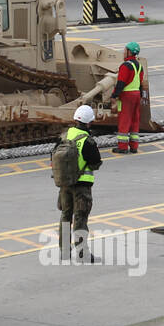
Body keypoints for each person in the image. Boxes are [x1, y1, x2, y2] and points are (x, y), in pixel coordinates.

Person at [59, 104, 103, 263]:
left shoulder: (65, 135)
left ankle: (64, 251)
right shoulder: (87, 140)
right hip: (82, 185)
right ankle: (82, 253)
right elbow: (95, 162)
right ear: (89, 122)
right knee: (80, 218)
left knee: (65, 216)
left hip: (65, 183)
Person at [110, 41, 144, 154]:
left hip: (127, 96)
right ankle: (134, 146)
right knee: (135, 120)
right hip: (136, 95)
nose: (123, 52)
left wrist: (114, 95)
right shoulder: (139, 66)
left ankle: (123, 147)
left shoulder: (125, 66)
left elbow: (121, 82)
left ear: (129, 52)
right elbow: (140, 83)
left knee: (124, 120)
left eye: (125, 50)